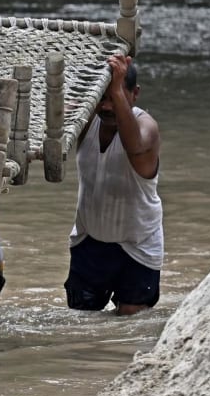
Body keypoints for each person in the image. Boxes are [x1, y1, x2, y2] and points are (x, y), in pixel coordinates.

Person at [64, 54, 163, 315]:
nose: (106, 107)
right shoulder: (86, 121)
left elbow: (136, 148)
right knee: (80, 324)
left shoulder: (147, 128)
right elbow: (54, 117)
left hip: (138, 246)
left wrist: (116, 88)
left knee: (129, 326)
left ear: (135, 94)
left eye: (115, 97)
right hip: (89, 240)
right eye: (102, 98)